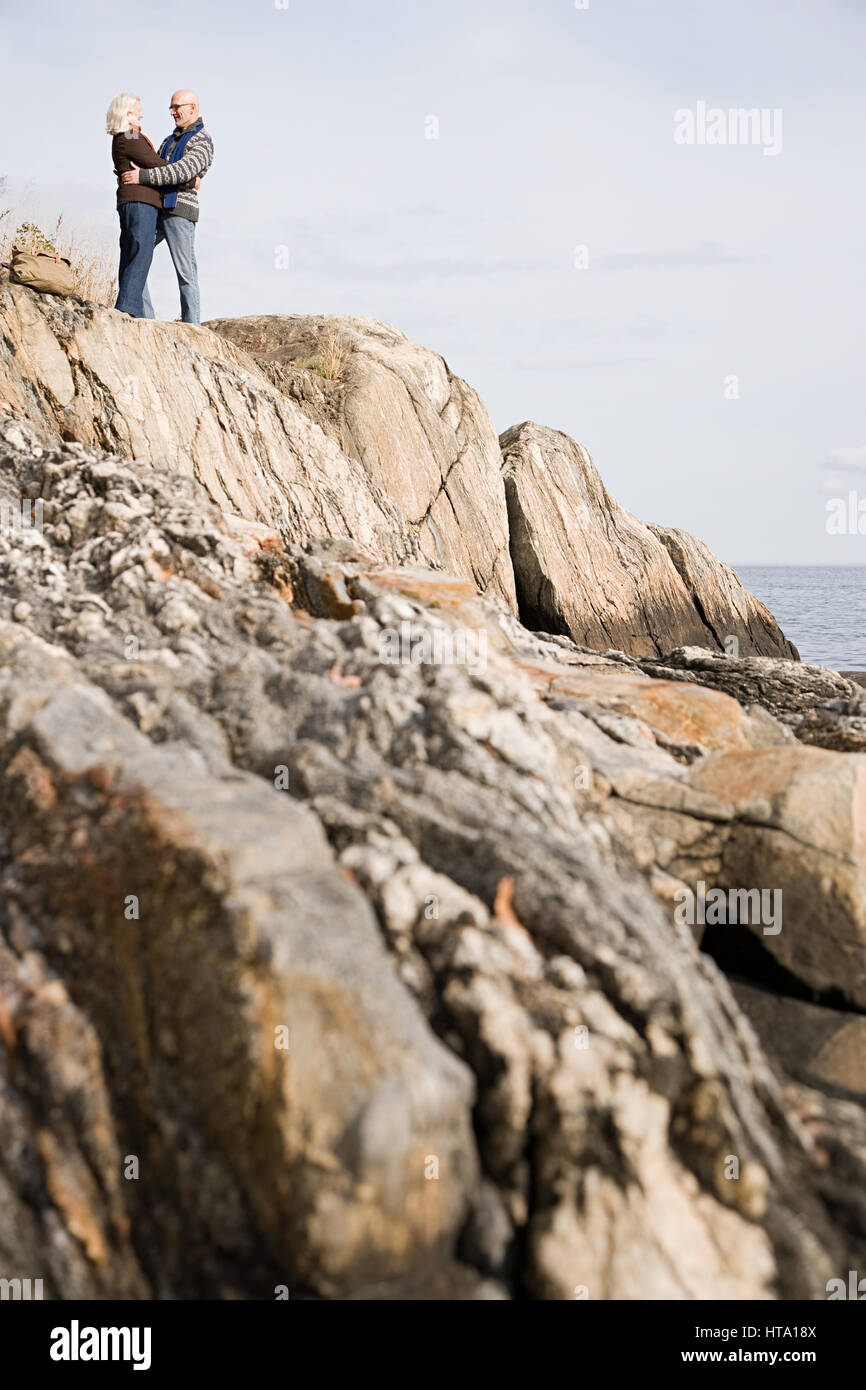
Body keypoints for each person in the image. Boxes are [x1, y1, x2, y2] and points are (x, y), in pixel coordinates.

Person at [121, 90, 214, 325]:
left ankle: (192, 325)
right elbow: (167, 169)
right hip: (157, 207)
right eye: (171, 108)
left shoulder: (203, 140)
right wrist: (184, 179)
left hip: (180, 210)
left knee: (185, 271)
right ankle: (147, 318)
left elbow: (181, 171)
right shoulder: (168, 140)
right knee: (136, 257)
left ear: (192, 108)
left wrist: (142, 176)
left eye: (176, 107)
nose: (172, 112)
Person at [106, 92, 168, 318]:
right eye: (138, 110)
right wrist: (186, 175)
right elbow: (157, 163)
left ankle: (137, 310)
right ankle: (128, 308)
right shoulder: (130, 135)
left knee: (134, 251)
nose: (142, 114)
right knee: (140, 252)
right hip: (140, 201)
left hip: (133, 201)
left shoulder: (124, 137)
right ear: (128, 113)